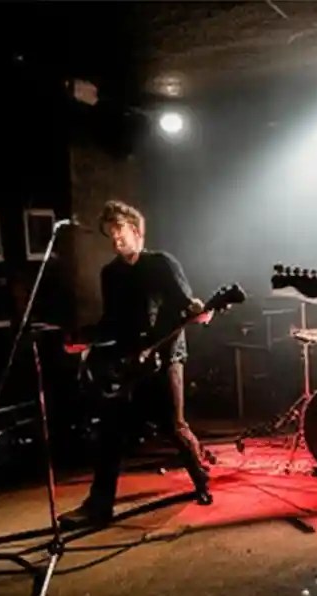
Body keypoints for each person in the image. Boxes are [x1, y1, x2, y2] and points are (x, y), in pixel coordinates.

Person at [58, 201, 213, 528]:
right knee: (111, 431)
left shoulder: (162, 264)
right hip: (130, 361)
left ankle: (201, 481)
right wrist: (85, 339)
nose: (115, 240)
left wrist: (202, 311)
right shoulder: (110, 274)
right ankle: (99, 506)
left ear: (136, 231)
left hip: (167, 356)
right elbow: (111, 323)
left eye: (120, 232)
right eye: (110, 235)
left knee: (173, 426)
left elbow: (190, 308)